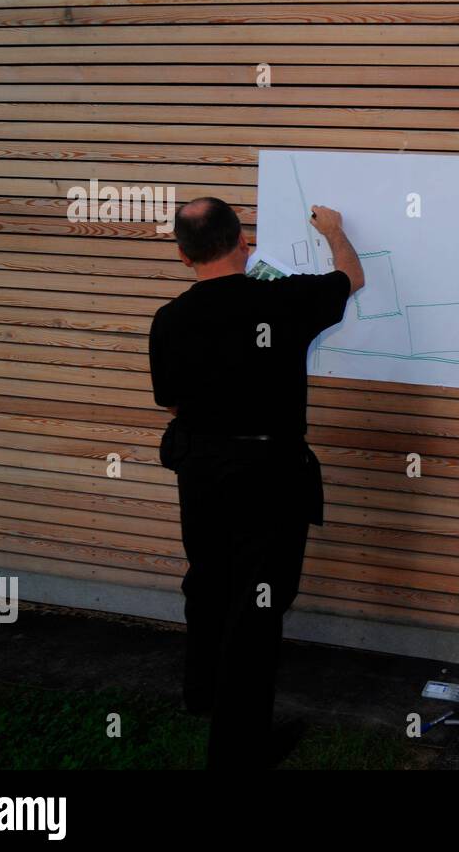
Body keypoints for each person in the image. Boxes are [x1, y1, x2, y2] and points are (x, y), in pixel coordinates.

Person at [149, 197, 365, 769]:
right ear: (242, 242)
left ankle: (201, 692)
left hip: (201, 475)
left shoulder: (169, 320)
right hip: (267, 481)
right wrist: (336, 232)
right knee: (255, 609)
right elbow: (350, 277)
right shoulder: (284, 300)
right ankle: (237, 752)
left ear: (182, 253)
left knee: (209, 584)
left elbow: (170, 397)